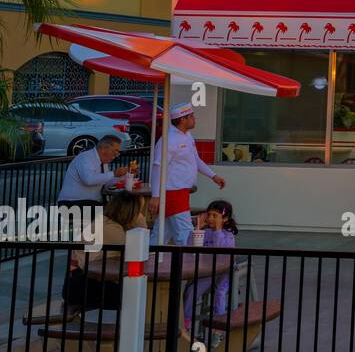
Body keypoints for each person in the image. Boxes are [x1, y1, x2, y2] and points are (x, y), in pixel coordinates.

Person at [150, 103, 226, 246]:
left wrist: (213, 176)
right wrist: (155, 195)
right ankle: (188, 263)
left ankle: (149, 261)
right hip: (173, 192)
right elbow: (157, 166)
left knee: (161, 233)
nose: (194, 119)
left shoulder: (187, 135)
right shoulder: (169, 139)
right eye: (191, 116)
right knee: (184, 232)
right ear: (182, 120)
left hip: (178, 191)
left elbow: (195, 159)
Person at [62, 191, 149, 313]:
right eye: (137, 212)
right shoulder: (112, 230)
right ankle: (131, 330)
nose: (139, 215)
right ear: (129, 213)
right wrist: (140, 218)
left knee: (134, 293)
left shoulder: (105, 221)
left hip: (77, 284)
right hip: (81, 287)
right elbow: (140, 248)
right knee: (138, 296)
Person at [184, 200, 238, 328]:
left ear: (225, 219)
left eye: (215, 216)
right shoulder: (205, 232)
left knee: (220, 292)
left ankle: (219, 325)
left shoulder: (228, 235)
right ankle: (186, 320)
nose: (210, 218)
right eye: (209, 215)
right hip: (209, 271)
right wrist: (198, 229)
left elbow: (220, 251)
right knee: (192, 290)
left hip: (225, 271)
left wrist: (218, 230)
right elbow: (189, 247)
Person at [57, 135, 131, 207]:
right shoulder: (85, 157)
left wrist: (124, 175)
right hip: (71, 205)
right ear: (104, 148)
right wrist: (114, 173)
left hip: (89, 203)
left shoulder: (103, 163)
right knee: (114, 213)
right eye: (115, 151)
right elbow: (89, 180)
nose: (116, 155)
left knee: (121, 210)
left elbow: (107, 183)